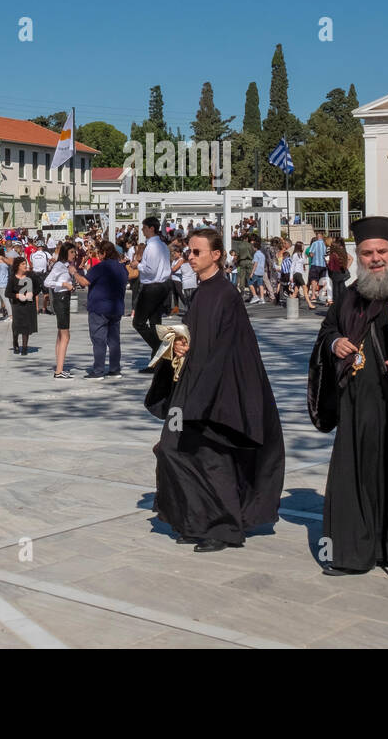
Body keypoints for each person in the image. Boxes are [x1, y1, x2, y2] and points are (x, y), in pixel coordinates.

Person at [310, 216, 388, 577]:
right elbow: (327, 330)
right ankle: (354, 550)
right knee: (357, 475)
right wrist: (335, 342)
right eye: (367, 253)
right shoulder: (349, 296)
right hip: (357, 405)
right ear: (357, 256)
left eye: (382, 251)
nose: (375, 258)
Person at [145, 229, 285, 552]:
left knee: (211, 458)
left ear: (216, 255)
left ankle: (223, 528)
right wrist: (179, 346)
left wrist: (206, 394)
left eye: (196, 252)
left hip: (215, 393)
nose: (189, 257)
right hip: (191, 386)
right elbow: (195, 338)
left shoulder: (226, 295)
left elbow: (231, 349)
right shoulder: (201, 292)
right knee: (172, 449)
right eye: (189, 252)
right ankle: (195, 520)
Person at [71, 241, 128, 378]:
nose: (99, 256)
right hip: (116, 307)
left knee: (99, 340)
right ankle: (115, 369)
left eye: (99, 253)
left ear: (104, 253)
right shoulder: (122, 268)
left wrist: (74, 273)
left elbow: (85, 282)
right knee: (114, 340)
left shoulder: (100, 267)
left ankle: (98, 371)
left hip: (99, 307)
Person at [131, 216, 171, 355]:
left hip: (152, 287)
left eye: (144, 228)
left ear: (151, 228)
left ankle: (160, 347)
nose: (142, 230)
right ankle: (157, 361)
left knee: (138, 323)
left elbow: (151, 269)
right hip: (162, 285)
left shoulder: (152, 246)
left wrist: (138, 265)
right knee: (155, 323)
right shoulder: (162, 245)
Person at [45, 244, 76, 378]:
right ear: (65, 253)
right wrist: (64, 284)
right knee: (65, 335)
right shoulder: (59, 266)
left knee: (60, 334)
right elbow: (47, 282)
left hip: (64, 298)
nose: (74, 254)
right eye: (72, 252)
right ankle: (59, 371)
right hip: (61, 298)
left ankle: (59, 366)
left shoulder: (65, 266)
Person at [6, 256, 39, 354]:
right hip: (17, 305)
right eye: (23, 264)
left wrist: (32, 293)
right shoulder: (12, 278)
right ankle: (15, 343)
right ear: (18, 266)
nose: (25, 266)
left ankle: (25, 347)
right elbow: (7, 293)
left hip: (29, 304)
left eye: (26, 264)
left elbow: (39, 287)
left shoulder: (31, 275)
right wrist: (17, 295)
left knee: (26, 325)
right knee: (16, 325)